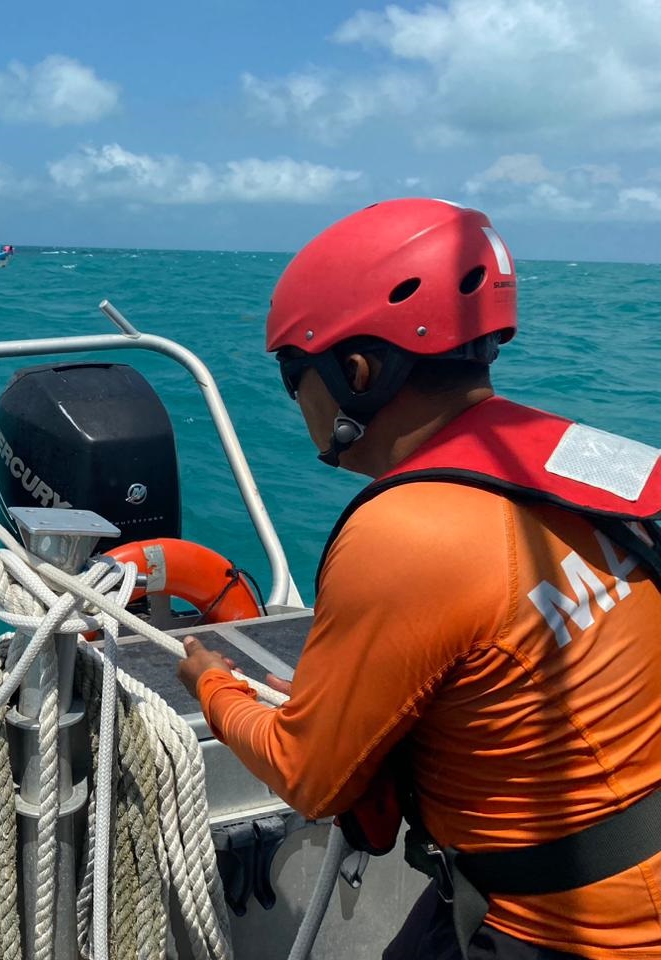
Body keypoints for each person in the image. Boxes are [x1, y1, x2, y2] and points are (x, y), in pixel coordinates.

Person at [177, 198, 661, 959]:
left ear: (356, 372)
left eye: (294, 376)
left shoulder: (404, 534)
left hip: (566, 931)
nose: (296, 399)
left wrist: (211, 683)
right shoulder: (599, 459)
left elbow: (310, 778)